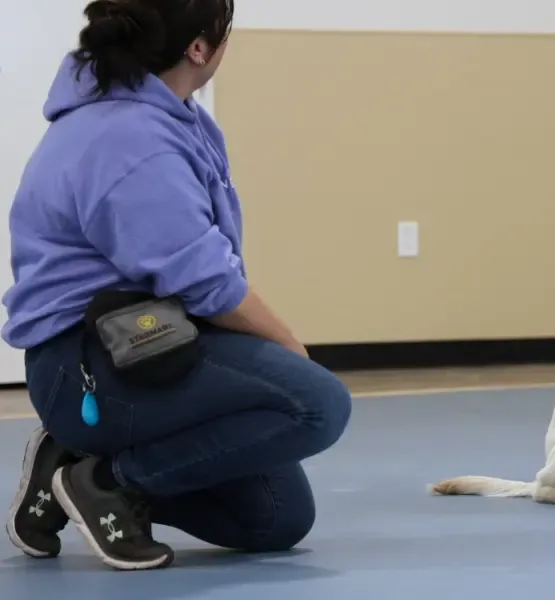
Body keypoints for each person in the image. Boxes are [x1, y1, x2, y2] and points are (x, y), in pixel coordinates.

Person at [3, 0, 352, 570]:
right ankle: (107, 480)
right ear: (198, 47)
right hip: (90, 363)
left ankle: (67, 465)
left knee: (275, 515)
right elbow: (203, 278)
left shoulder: (165, 116)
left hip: (139, 344)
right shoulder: (128, 139)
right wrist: (290, 349)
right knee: (316, 404)